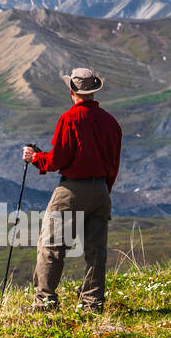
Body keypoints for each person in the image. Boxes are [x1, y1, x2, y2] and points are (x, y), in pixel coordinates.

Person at [21, 68, 122, 312]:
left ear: (72, 92)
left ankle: (45, 302)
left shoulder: (70, 119)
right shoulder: (111, 122)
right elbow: (113, 162)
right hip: (100, 191)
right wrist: (103, 189)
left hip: (72, 190)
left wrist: (36, 158)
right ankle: (92, 302)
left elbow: (58, 159)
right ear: (95, 91)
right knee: (96, 251)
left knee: (52, 246)